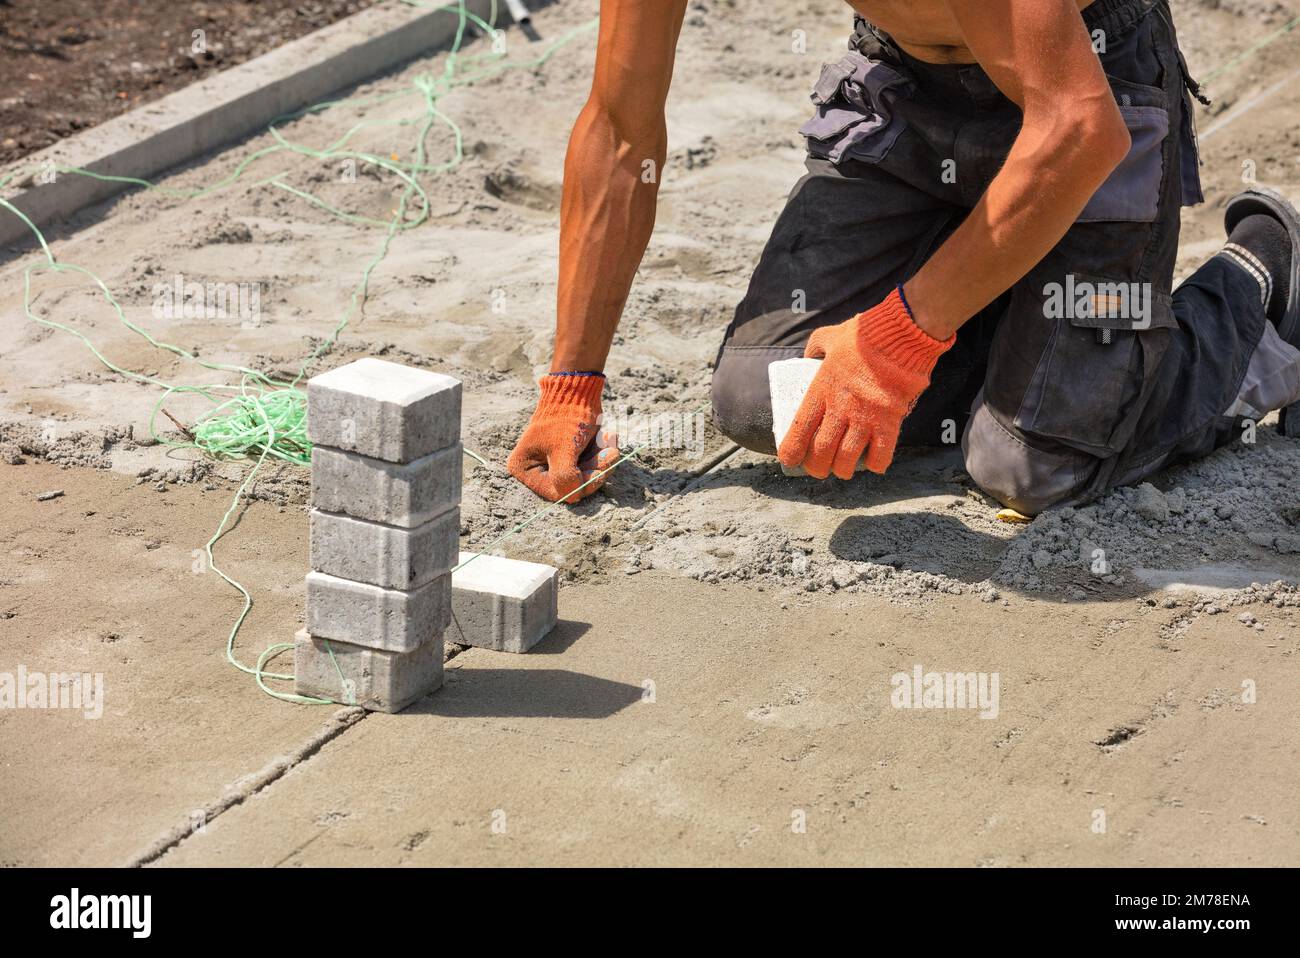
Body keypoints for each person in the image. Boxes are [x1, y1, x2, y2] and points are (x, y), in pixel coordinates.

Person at [507, 0, 1300, 515]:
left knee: (1024, 465)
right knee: (765, 395)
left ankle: (1264, 281)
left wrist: (899, 338)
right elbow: (619, 132)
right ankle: (1014, 314)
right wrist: (572, 384)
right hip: (907, 91)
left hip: (1086, 90)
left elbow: (1077, 128)